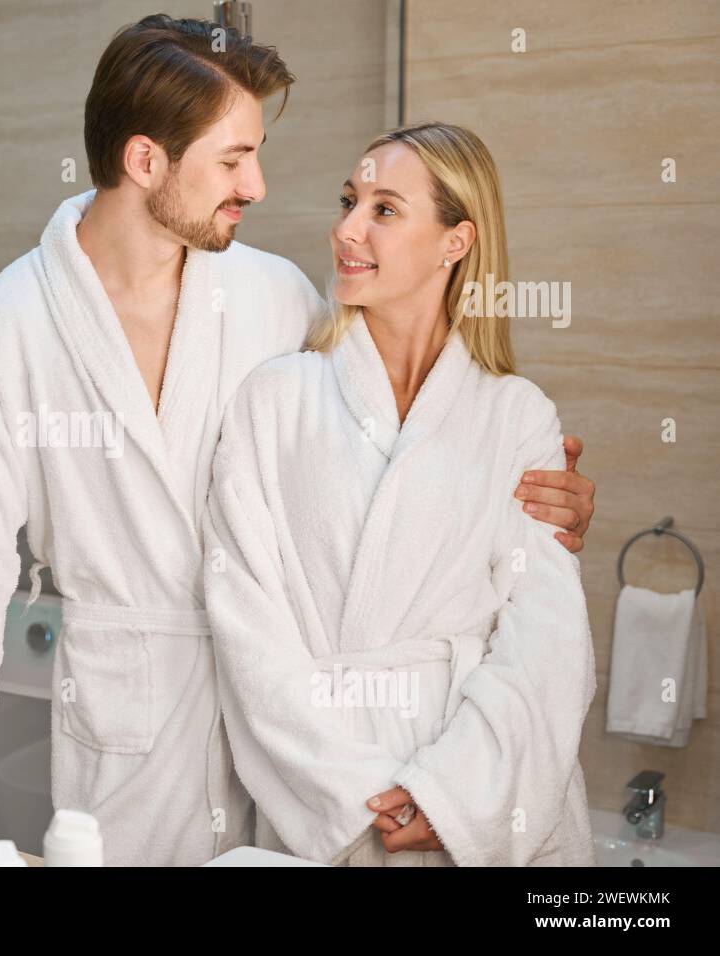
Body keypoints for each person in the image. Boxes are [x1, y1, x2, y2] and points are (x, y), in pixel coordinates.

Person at [0, 16, 596, 866]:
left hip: (300, 727)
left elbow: (395, 433)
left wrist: (545, 505)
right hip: (133, 722)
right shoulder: (7, 332)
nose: (258, 185)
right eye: (234, 158)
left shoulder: (275, 298)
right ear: (146, 162)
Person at [203, 122, 597, 866]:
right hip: (331, 801)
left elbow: (547, 644)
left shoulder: (518, 416)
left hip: (484, 789)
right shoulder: (275, 400)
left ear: (456, 241)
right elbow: (246, 627)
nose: (348, 229)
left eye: (384, 210)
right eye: (349, 201)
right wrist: (357, 800)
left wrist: (457, 799)